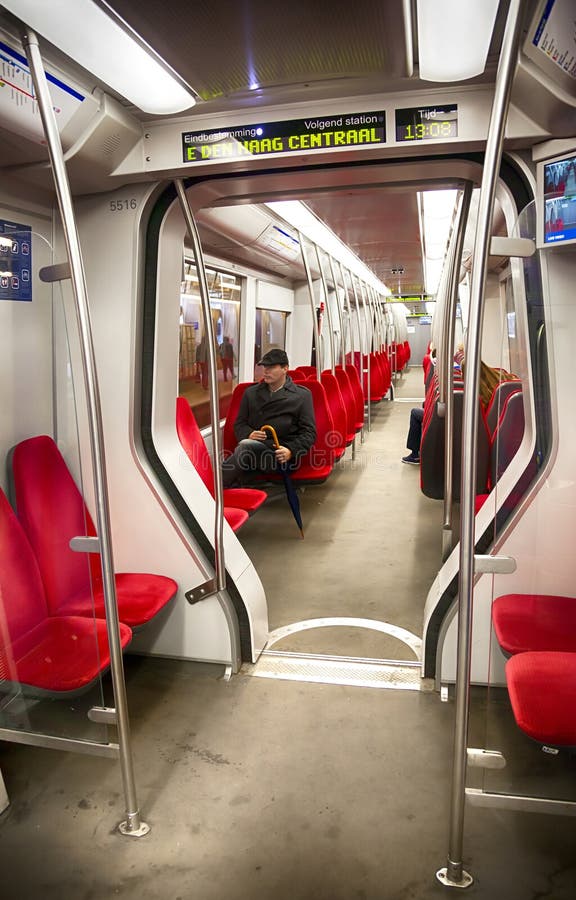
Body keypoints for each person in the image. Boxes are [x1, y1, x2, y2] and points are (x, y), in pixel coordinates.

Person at [222, 348, 316, 486]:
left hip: (281, 454)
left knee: (244, 449)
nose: (265, 371)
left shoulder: (301, 396)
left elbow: (309, 433)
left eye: (271, 367)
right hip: (251, 450)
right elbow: (239, 424)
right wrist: (249, 433)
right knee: (246, 446)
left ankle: (214, 488)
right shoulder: (251, 393)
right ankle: (221, 487)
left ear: (285, 368)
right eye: (264, 367)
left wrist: (291, 450)